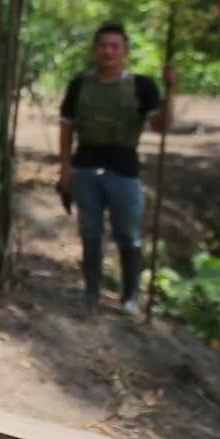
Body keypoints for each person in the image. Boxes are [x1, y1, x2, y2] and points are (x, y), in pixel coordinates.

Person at [58, 22, 177, 316]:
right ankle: (91, 292)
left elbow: (162, 126)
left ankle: (130, 297)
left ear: (125, 51)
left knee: (128, 235)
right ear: (95, 49)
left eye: (115, 46)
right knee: (90, 232)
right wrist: (65, 169)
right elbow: (66, 126)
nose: (108, 51)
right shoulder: (80, 84)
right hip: (85, 167)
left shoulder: (142, 86)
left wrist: (171, 90)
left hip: (124, 169)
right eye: (103, 45)